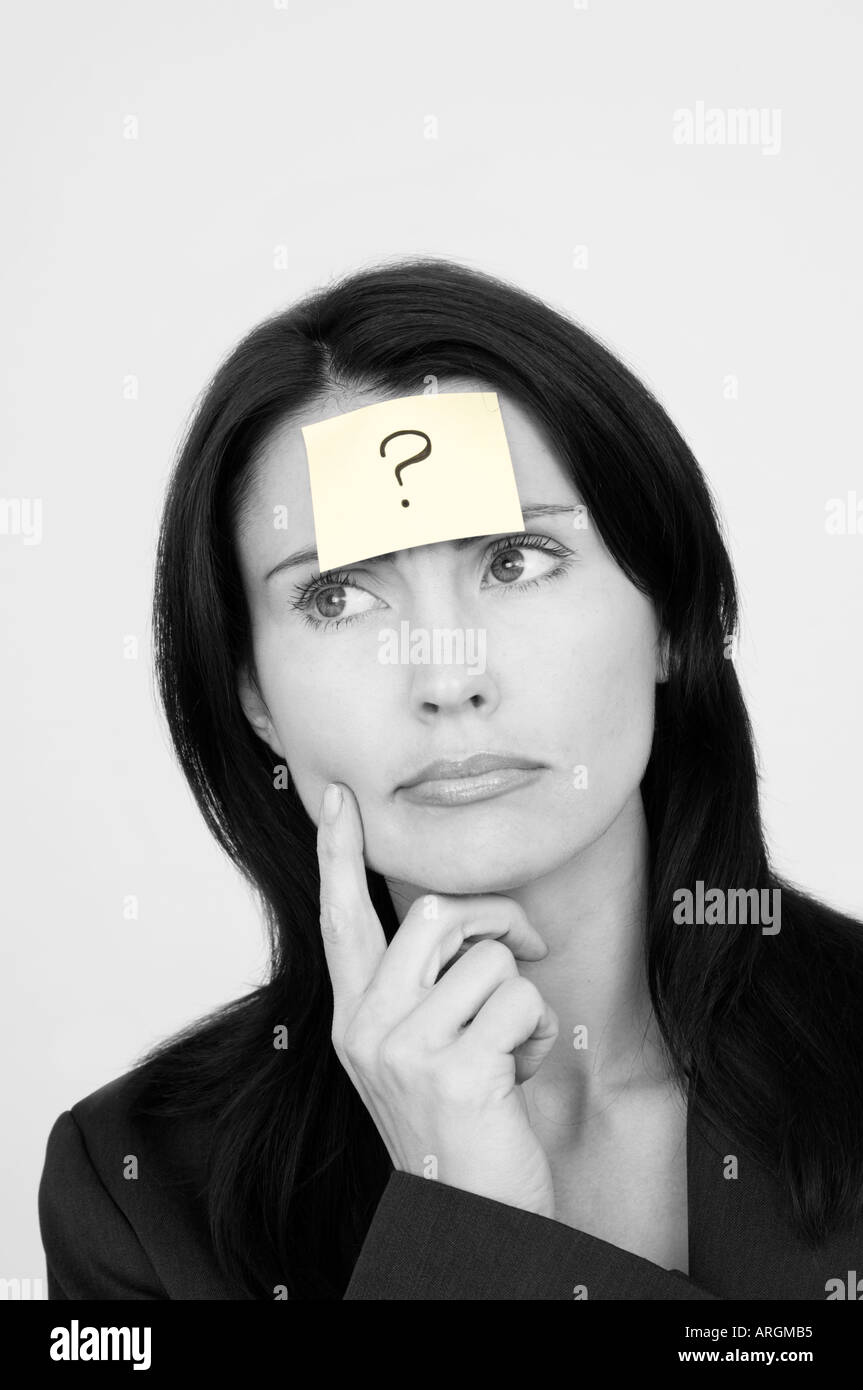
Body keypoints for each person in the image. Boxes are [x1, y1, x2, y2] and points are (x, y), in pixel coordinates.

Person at [38, 258, 863, 1300]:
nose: (444, 677)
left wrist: (479, 1252)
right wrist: (454, 1218)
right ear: (253, 696)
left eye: (514, 561)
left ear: (669, 612)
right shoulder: (140, 1196)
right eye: (338, 597)